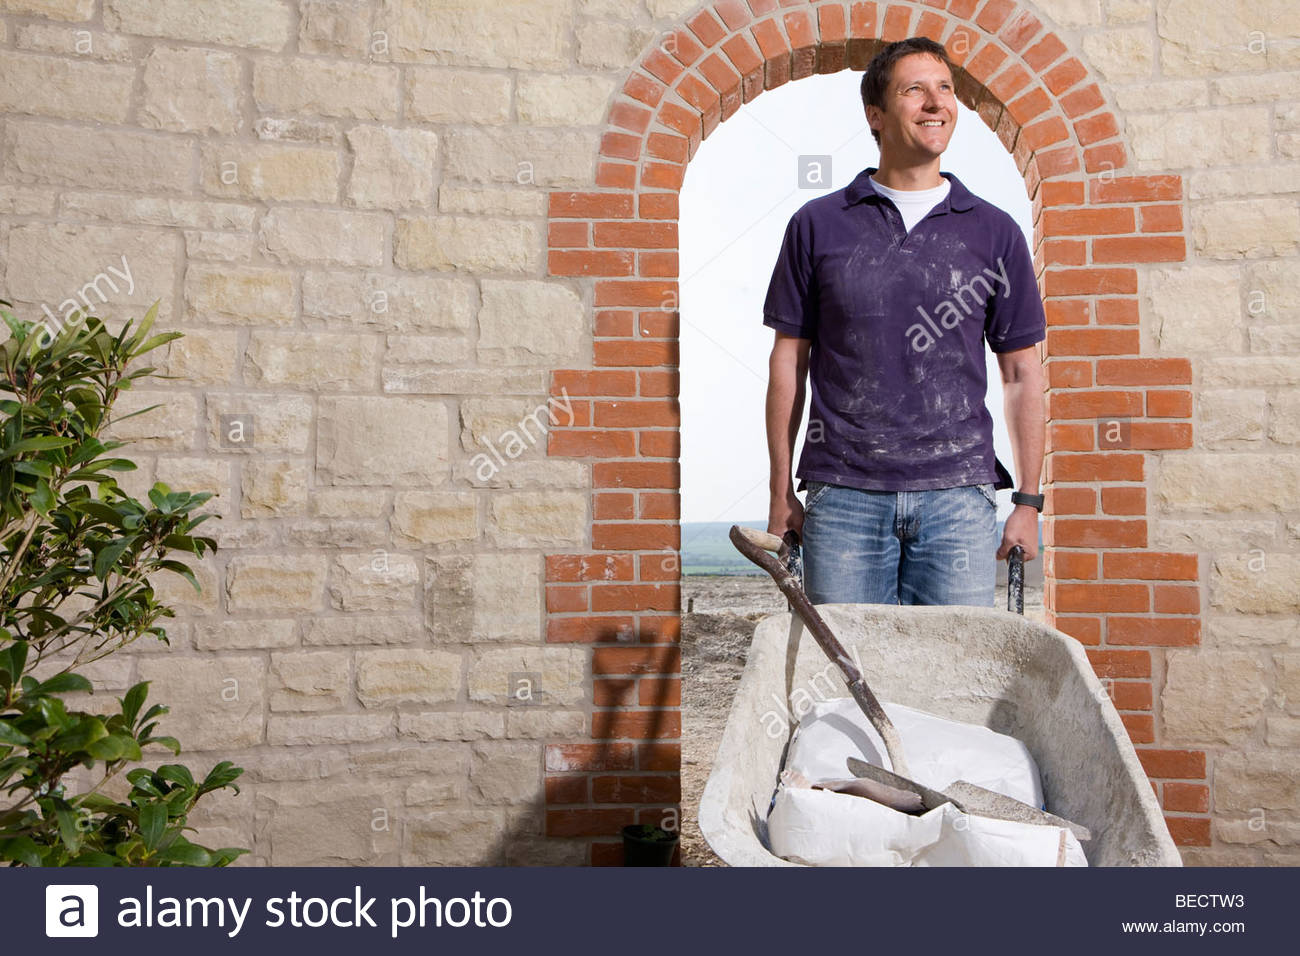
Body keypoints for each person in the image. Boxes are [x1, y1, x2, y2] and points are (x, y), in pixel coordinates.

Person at [763, 36, 1046, 608]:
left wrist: (1028, 502)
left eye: (945, 89)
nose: (935, 102)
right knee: (845, 682)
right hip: (843, 495)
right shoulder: (817, 225)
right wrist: (778, 490)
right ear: (875, 114)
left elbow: (1021, 373)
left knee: (952, 682)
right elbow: (788, 361)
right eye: (914, 89)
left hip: (959, 499)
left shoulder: (994, 232)